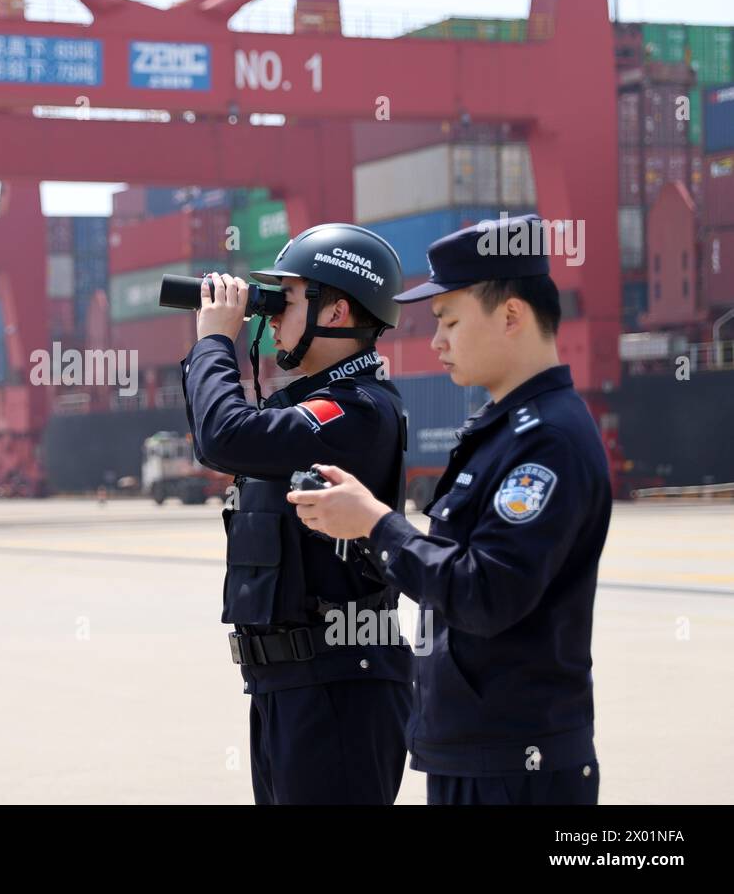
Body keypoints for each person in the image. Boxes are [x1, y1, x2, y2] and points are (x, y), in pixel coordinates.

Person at [288, 213, 610, 805]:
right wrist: (366, 524)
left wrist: (377, 525)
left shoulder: (548, 442)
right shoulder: (503, 431)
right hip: (476, 753)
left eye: (449, 321)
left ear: (511, 315)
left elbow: (485, 592)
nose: (436, 341)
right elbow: (459, 565)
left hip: (518, 770)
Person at [181, 223, 412, 804]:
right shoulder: (314, 406)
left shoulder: (357, 411)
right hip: (289, 686)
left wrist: (214, 341)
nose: (273, 314)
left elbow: (223, 435)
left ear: (334, 313)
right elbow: (229, 434)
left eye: (286, 298)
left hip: (338, 693)